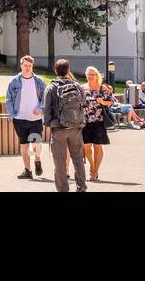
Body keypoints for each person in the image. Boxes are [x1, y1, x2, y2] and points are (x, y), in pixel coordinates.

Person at [42, 59, 88, 193]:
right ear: (68, 70)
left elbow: (46, 109)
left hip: (59, 129)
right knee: (78, 160)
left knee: (60, 163)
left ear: (55, 71)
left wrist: (48, 123)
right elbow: (83, 102)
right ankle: (81, 187)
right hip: (76, 128)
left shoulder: (51, 88)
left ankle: (63, 189)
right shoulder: (77, 86)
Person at [5, 55, 46, 180]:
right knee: (24, 145)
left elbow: (45, 97)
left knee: (36, 144)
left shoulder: (38, 81)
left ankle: (37, 160)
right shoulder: (14, 81)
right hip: (20, 119)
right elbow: (8, 99)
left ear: (32, 66)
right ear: (21, 65)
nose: (27, 68)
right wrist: (12, 115)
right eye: (25, 65)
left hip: (35, 119)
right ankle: (27, 170)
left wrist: (40, 108)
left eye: (30, 66)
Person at [80, 66, 111, 182]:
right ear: (86, 75)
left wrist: (102, 101)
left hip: (99, 121)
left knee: (97, 146)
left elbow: (111, 103)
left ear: (97, 75)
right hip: (85, 122)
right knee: (86, 146)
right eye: (89, 74)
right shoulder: (82, 88)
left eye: (93, 74)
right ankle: (92, 166)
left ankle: (95, 171)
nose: (91, 76)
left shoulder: (103, 88)